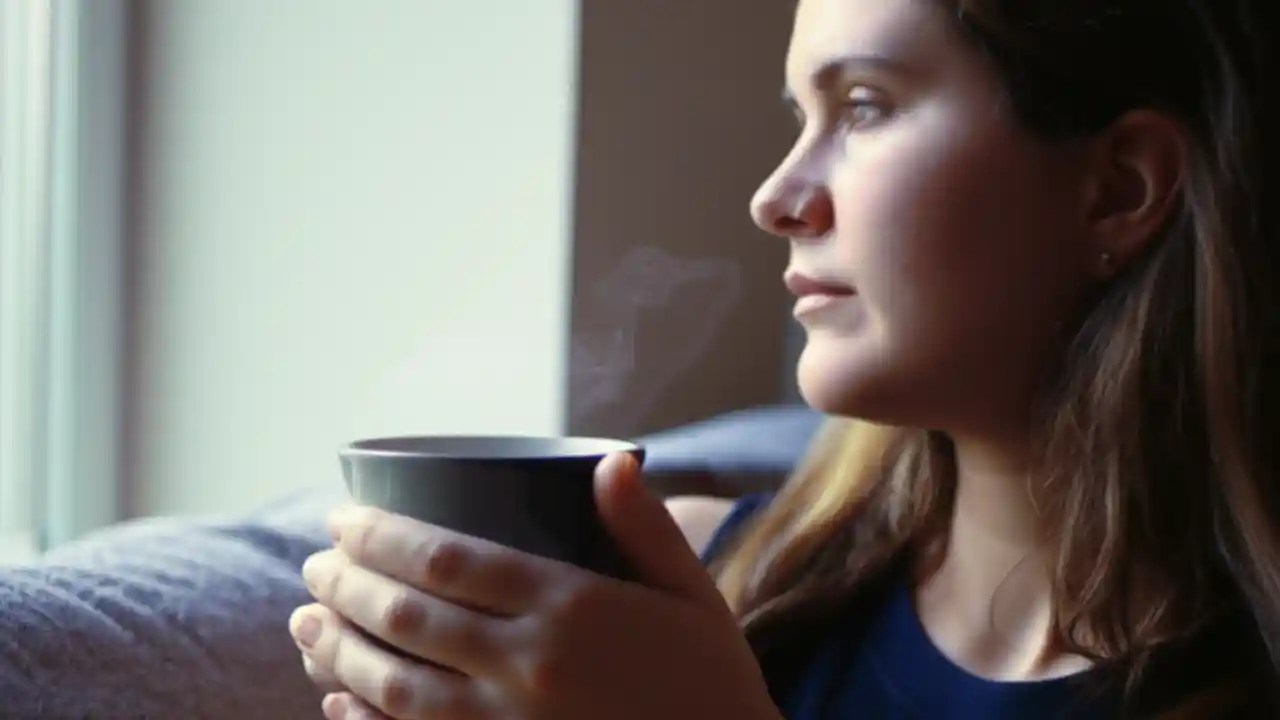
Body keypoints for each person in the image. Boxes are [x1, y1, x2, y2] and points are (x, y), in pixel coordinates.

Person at [287, 0, 1280, 717]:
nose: (773, 197)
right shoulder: (707, 590)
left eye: (861, 106)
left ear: (1115, 188)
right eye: (796, 117)